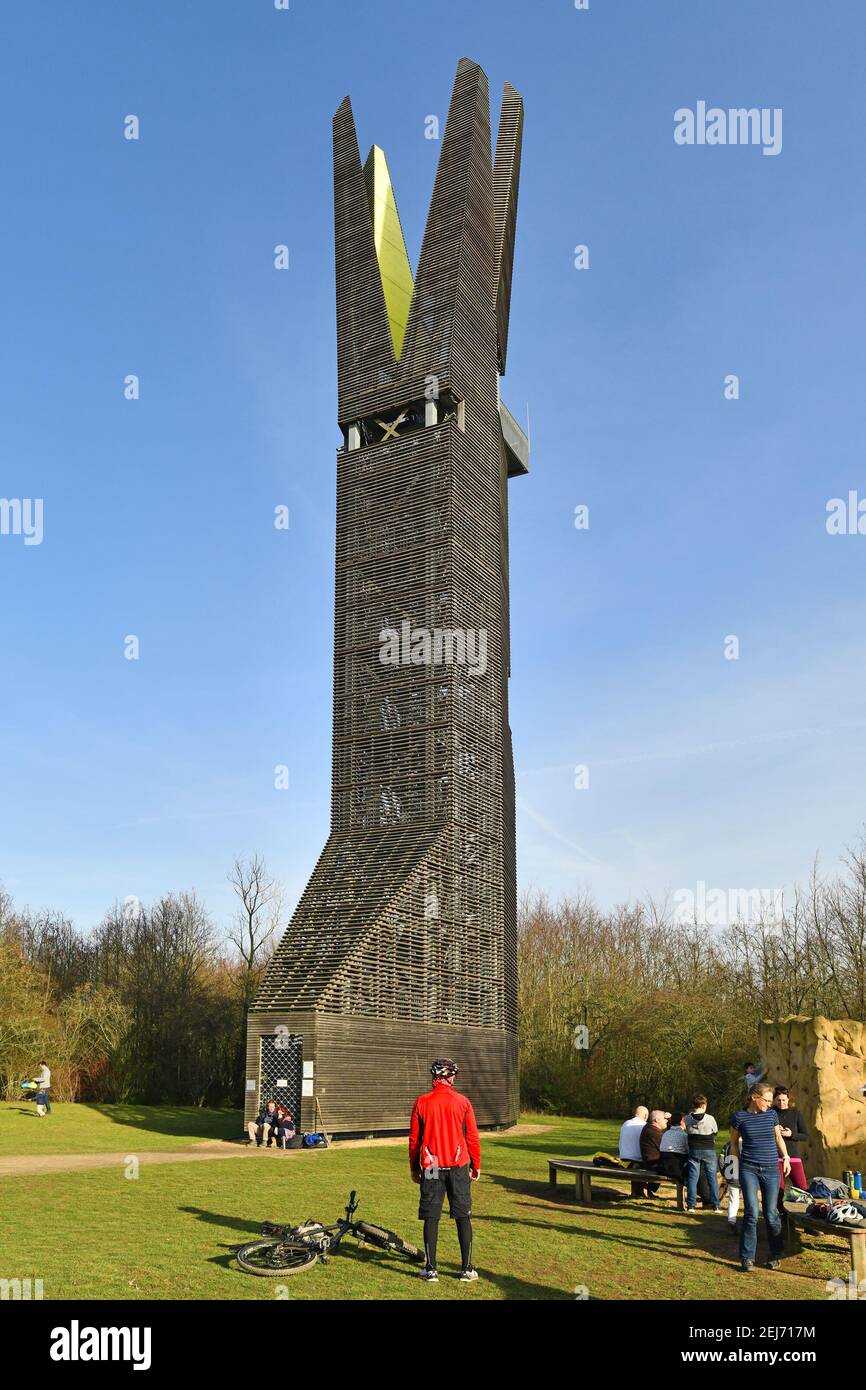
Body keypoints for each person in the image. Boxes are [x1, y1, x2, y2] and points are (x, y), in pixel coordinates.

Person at [409, 1058, 481, 1285]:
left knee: (431, 1216)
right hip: (458, 1165)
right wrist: (476, 1165)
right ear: (447, 1076)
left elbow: (414, 1140)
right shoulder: (463, 1102)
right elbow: (472, 1136)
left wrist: (414, 1167)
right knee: (463, 1215)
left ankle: (430, 1269)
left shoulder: (421, 1102)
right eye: (453, 1075)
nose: (454, 1078)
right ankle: (467, 1269)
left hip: (431, 1167)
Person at [730, 1081, 791, 1272]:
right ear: (754, 1098)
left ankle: (776, 1254)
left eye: (770, 1101)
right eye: (766, 1100)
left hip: (772, 1169)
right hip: (749, 1168)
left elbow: (778, 1138)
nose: (769, 1104)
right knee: (751, 1213)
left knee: (771, 1213)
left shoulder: (771, 1115)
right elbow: (733, 1144)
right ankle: (747, 1258)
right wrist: (734, 1166)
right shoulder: (739, 1117)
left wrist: (786, 1157)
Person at [684, 1094, 721, 1214]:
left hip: (694, 1150)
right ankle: (716, 1205)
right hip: (708, 1150)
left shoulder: (687, 1118)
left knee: (693, 1178)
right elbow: (715, 1132)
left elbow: (687, 1130)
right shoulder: (710, 1118)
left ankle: (691, 1205)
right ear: (704, 1105)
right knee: (712, 1178)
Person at [771, 1086, 808, 1194]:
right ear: (774, 1100)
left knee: (803, 1188)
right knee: (779, 1188)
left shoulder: (796, 1112)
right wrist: (775, 1131)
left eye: (783, 1100)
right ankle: (779, 1210)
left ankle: (808, 1210)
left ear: (788, 1099)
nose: (781, 1102)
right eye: (778, 1100)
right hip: (775, 1156)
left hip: (793, 1155)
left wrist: (791, 1134)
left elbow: (805, 1135)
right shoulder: (770, 1112)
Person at [719, 1123, 742, 1231]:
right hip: (746, 1175)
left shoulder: (727, 1145)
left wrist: (724, 1172)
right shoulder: (748, 1145)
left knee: (733, 1198)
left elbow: (721, 1160)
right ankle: (750, 1220)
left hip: (731, 1174)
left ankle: (731, 1220)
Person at [639, 1110, 667, 1196]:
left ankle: (651, 1190)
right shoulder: (653, 1132)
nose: (666, 1120)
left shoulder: (649, 1128)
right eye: (664, 1118)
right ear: (656, 1120)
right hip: (654, 1164)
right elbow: (665, 1147)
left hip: (652, 1162)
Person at [658, 1112, 689, 1181]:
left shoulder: (665, 1134)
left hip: (664, 1168)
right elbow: (688, 1151)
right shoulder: (684, 1136)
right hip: (677, 1170)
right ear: (681, 1122)